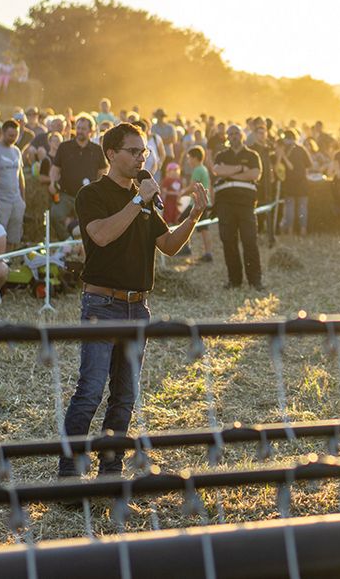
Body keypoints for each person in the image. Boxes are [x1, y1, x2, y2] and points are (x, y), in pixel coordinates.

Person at [58, 122, 209, 478]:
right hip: (101, 305)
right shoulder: (92, 194)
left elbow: (169, 246)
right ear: (111, 154)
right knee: (90, 391)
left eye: (144, 151)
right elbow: (101, 235)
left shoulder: (146, 200)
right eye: (134, 151)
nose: (142, 157)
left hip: (137, 307)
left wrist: (194, 215)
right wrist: (138, 200)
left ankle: (110, 469)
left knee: (124, 395)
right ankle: (69, 471)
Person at [212, 125, 262, 290]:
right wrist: (240, 169)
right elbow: (218, 170)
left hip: (246, 204)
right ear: (227, 137)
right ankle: (234, 281)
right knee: (229, 242)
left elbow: (255, 174)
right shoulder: (221, 155)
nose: (234, 136)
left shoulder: (252, 155)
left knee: (250, 242)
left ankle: (255, 281)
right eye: (231, 134)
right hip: (225, 204)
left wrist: (230, 173)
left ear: (242, 136)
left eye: (236, 133)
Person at [49, 115, 106, 240]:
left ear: (90, 131)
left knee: (92, 222)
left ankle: (83, 246)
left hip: (88, 197)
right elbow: (55, 169)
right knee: (55, 215)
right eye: (78, 128)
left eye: (83, 129)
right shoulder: (64, 147)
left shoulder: (97, 150)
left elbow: (102, 172)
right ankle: (67, 243)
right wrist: (52, 183)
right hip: (66, 195)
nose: (79, 131)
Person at [0, 120, 26, 247]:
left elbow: (20, 175)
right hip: (1, 199)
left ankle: (12, 260)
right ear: (3, 133)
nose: (13, 138)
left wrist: (23, 199)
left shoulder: (16, 151)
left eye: (15, 136)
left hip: (16, 200)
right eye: (10, 135)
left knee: (15, 234)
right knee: (0, 233)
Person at [182, 146, 214, 262]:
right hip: (202, 201)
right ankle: (207, 252)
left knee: (183, 221)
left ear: (195, 158)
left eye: (189, 158)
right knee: (203, 228)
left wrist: (181, 193)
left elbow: (192, 187)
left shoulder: (197, 170)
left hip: (197, 203)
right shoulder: (203, 169)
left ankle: (185, 247)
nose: (188, 161)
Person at [278, 130, 311, 235]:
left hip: (289, 182)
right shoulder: (301, 149)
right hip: (302, 182)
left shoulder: (284, 150)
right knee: (302, 207)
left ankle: (290, 230)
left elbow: (280, 165)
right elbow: (309, 165)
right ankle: (303, 230)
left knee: (289, 207)